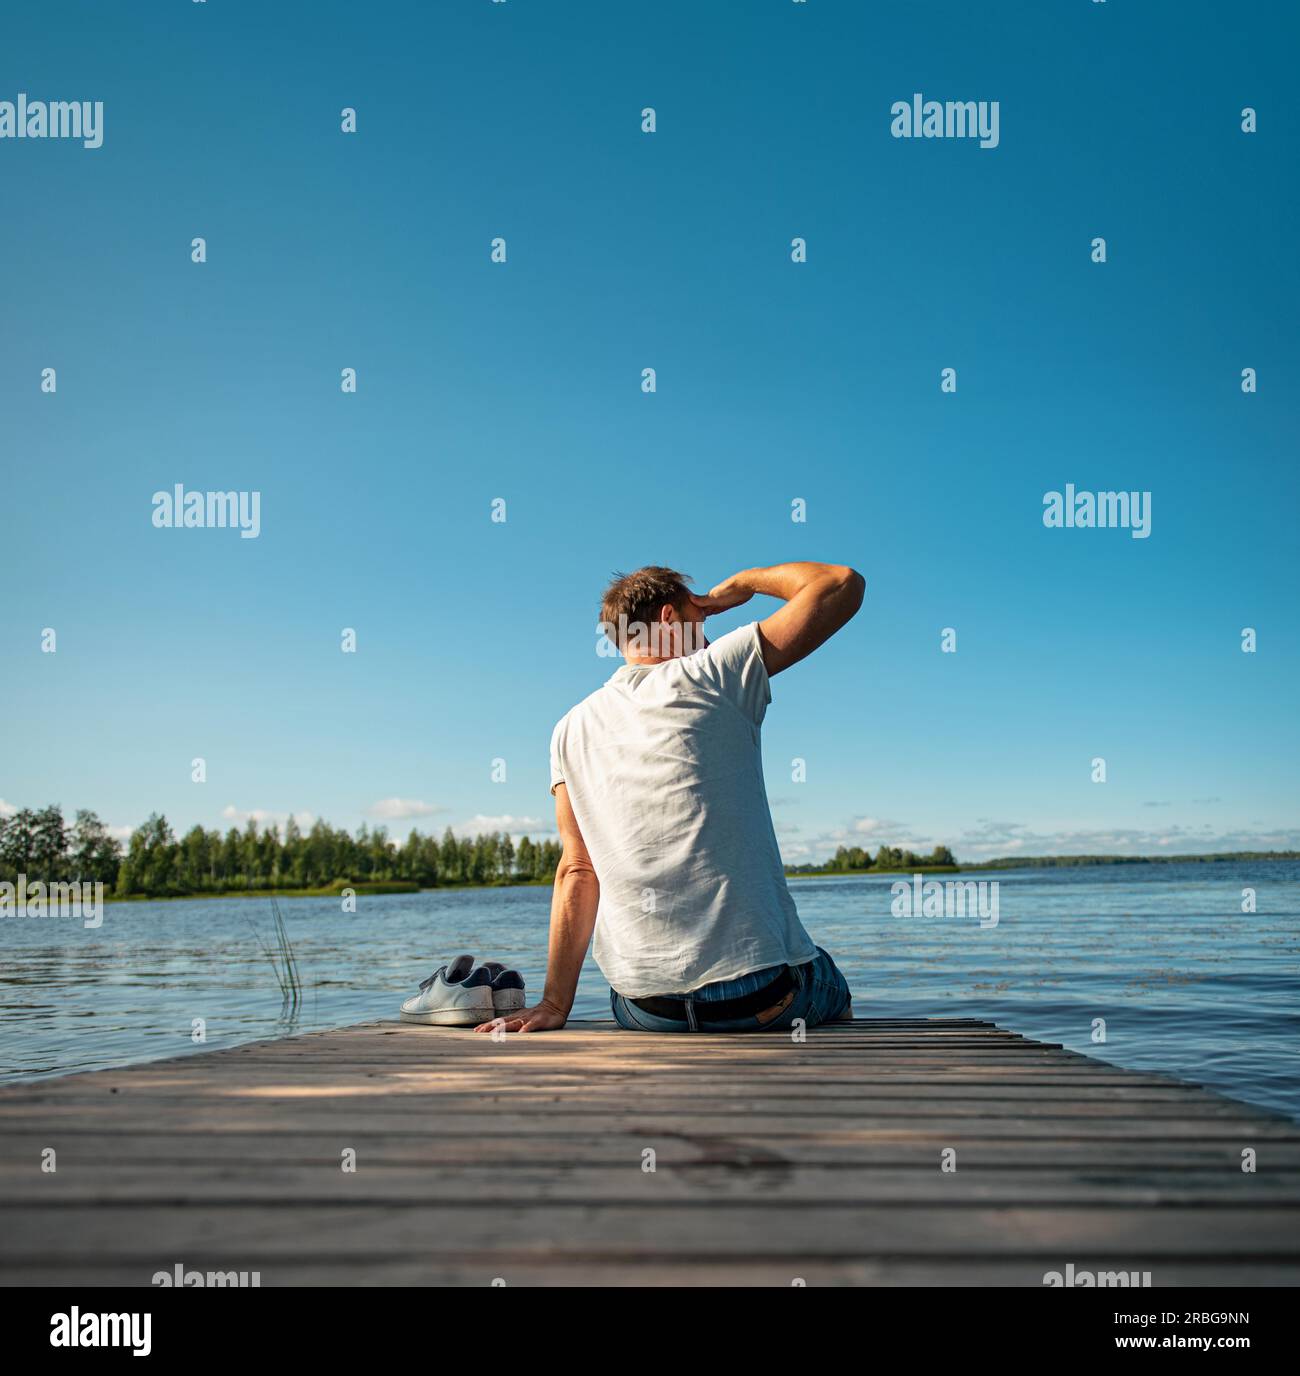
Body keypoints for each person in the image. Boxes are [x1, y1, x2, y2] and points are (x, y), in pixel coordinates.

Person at [475, 561, 865, 1035]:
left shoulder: (569, 729)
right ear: (667, 619)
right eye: (700, 619)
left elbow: (577, 870)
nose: (705, 637)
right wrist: (740, 586)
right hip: (760, 996)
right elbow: (841, 584)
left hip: (644, 1009)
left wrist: (555, 1003)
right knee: (827, 979)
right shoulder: (716, 671)